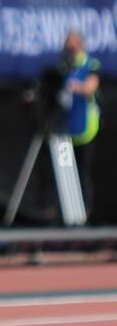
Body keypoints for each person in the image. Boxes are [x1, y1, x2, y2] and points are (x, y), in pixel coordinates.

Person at [59, 31, 101, 217]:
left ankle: (84, 213)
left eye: (73, 44)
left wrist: (76, 86)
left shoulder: (89, 65)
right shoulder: (64, 66)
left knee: (83, 172)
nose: (70, 48)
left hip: (85, 130)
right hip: (63, 131)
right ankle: (65, 213)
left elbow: (90, 87)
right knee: (65, 170)